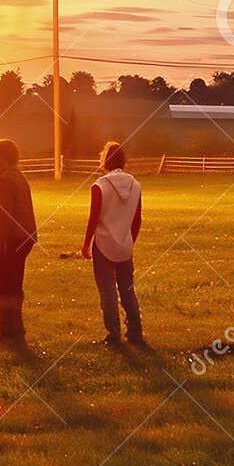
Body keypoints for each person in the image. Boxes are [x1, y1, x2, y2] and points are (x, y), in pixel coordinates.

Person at [83, 142, 144, 347]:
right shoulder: (135, 185)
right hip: (125, 245)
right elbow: (137, 219)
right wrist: (129, 240)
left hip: (103, 244)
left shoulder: (99, 186)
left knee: (107, 290)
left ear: (104, 160)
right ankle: (135, 330)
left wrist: (86, 245)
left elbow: (93, 218)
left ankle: (113, 333)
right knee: (127, 289)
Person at [0, 139, 37, 350]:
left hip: (10, 240)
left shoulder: (5, 180)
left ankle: (8, 331)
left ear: (1, 157)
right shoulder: (19, 177)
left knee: (6, 286)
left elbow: (3, 214)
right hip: (23, 238)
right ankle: (15, 328)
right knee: (14, 284)